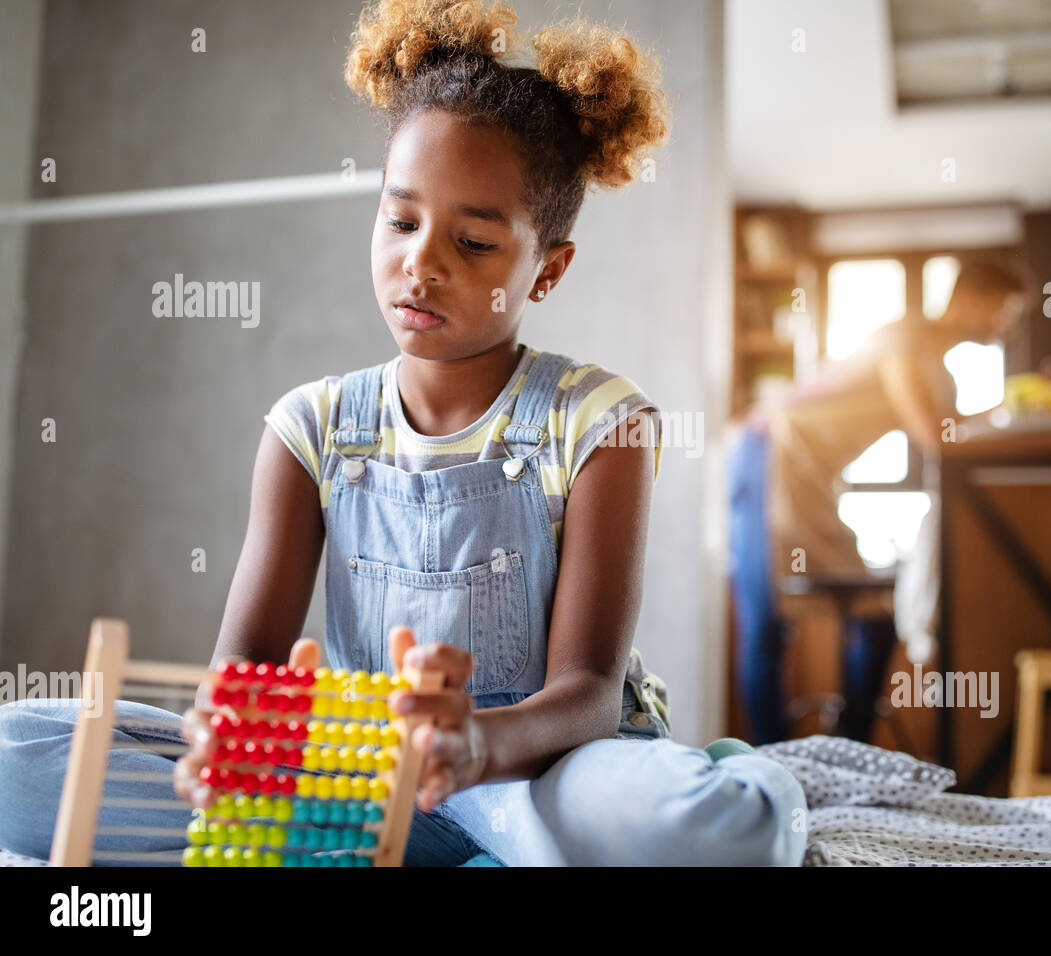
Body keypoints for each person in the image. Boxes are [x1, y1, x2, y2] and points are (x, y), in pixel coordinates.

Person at [0, 0, 807, 867]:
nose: (422, 262)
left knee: (725, 827)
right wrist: (224, 747)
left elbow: (589, 694)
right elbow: (243, 672)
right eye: (400, 220)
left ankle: (724, 779)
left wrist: (476, 746)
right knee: (21, 751)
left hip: (536, 777)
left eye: (472, 240)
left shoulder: (600, 421)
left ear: (548, 269)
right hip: (363, 786)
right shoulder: (308, 429)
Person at [728, 259, 1028, 744]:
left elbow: (950, 429)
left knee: (874, 609)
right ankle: (768, 766)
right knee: (767, 619)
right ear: (969, 299)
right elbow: (933, 434)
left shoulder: (938, 363)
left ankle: (849, 748)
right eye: (1003, 310)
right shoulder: (906, 338)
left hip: (814, 476)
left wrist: (1012, 409)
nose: (1007, 324)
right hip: (771, 452)